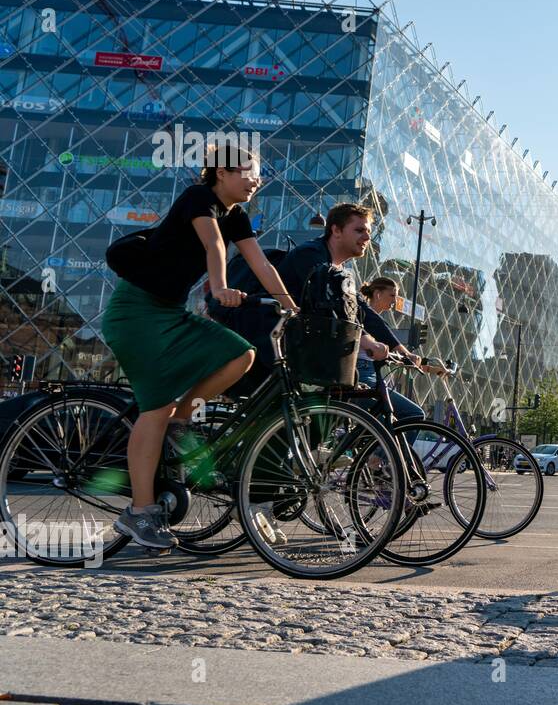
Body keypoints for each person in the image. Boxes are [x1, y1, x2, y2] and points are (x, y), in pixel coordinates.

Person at [102, 142, 297, 550]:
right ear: (220, 173)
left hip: (168, 313)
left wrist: (290, 304)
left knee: (240, 353)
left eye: (258, 173)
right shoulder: (199, 198)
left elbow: (261, 263)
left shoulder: (237, 215)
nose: (255, 180)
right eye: (246, 171)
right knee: (154, 408)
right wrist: (221, 288)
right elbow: (212, 245)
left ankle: (181, 420)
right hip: (136, 312)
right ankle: (140, 513)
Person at [212, 203, 396, 391]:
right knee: (282, 411)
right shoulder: (311, 255)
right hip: (265, 342)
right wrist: (367, 342)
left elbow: (361, 309)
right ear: (336, 230)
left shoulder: (335, 268)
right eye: (359, 230)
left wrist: (397, 348)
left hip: (291, 347)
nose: (367, 237)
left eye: (368, 231)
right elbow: (332, 307)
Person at [357, 276, 428, 423]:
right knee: (414, 415)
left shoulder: (373, 319)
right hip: (363, 374)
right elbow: (387, 337)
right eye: (392, 295)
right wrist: (407, 354)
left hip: (367, 373)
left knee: (386, 424)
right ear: (377, 294)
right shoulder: (367, 315)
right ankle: (383, 446)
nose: (395, 301)